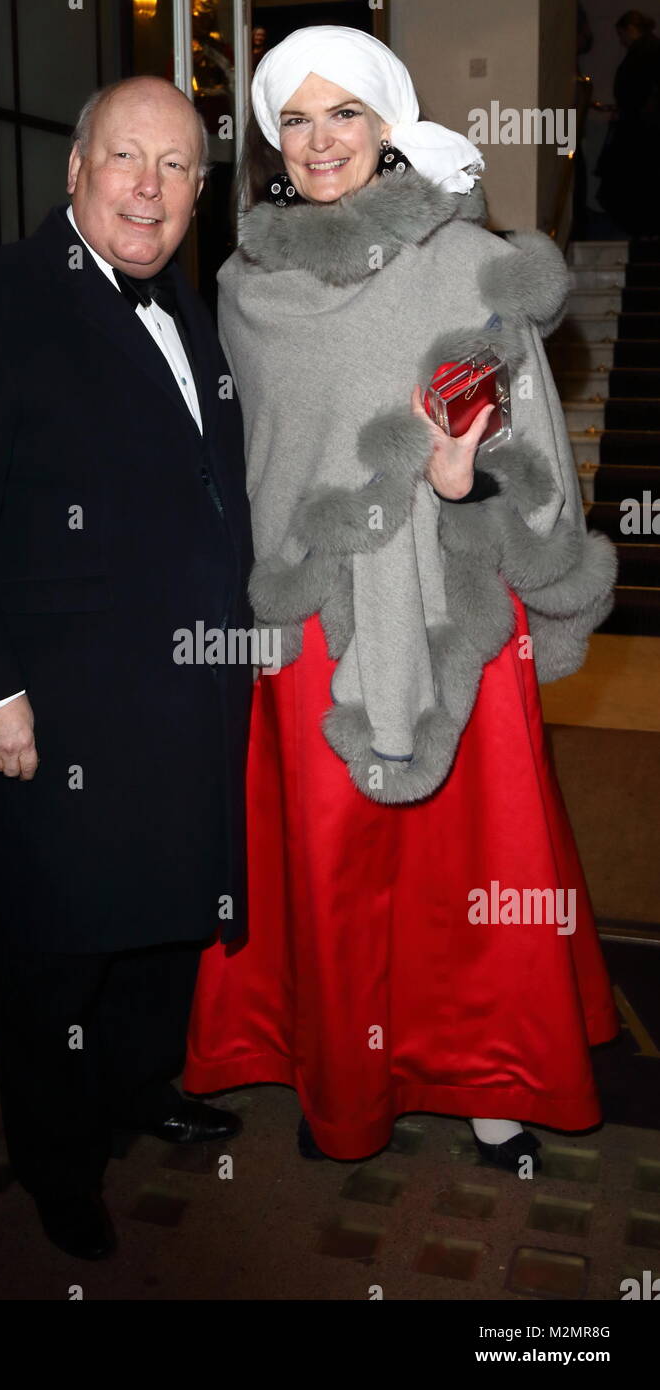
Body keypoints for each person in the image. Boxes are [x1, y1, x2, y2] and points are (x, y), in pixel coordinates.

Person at [184, 26, 619, 1175]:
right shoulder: (242, 287)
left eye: (344, 115)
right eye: (296, 120)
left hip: (451, 603)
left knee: (471, 869)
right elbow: (252, 463)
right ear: (273, 144)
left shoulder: (462, 262)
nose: (319, 141)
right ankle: (345, 1085)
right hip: (313, 615)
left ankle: (490, 1084)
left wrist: (459, 479)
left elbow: (525, 449)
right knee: (332, 871)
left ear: (385, 128)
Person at [0, 76, 254, 1259]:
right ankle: (57, 1164)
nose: (147, 188)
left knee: (158, 923)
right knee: (57, 949)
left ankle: (139, 1089)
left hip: (177, 692)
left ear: (200, 192)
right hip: (54, 708)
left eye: (177, 167)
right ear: (74, 169)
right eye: (124, 159)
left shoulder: (188, 311)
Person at [597, 10, 660, 234]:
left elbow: (636, 91)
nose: (621, 42)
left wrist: (626, 111)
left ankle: (642, 231)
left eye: (622, 35)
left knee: (624, 187)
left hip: (639, 131)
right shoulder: (649, 49)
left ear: (630, 30)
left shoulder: (643, 52)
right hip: (641, 127)